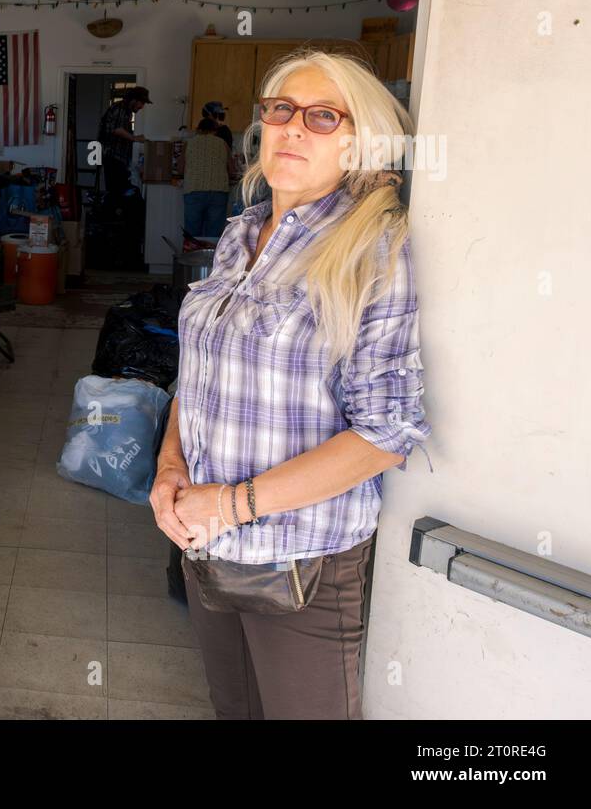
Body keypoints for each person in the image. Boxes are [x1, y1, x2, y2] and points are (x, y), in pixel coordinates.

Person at [150, 50, 431, 719]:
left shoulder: (375, 249)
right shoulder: (238, 234)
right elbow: (200, 374)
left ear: (360, 144)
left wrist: (231, 503)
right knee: (234, 709)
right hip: (206, 545)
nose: (293, 128)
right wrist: (169, 466)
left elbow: (385, 436)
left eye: (322, 117)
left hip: (302, 561)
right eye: (281, 110)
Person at [177, 117, 238, 239]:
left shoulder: (188, 143)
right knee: (213, 235)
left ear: (198, 130)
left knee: (192, 234)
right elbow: (232, 171)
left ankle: (191, 256)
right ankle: (210, 257)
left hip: (194, 191)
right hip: (218, 192)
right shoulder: (223, 143)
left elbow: (180, 170)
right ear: (215, 130)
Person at [96, 86, 152, 196]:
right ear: (134, 100)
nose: (142, 106)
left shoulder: (127, 112)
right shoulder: (120, 108)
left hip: (118, 158)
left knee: (120, 192)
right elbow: (117, 129)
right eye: (142, 103)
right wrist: (136, 138)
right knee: (117, 193)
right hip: (113, 157)